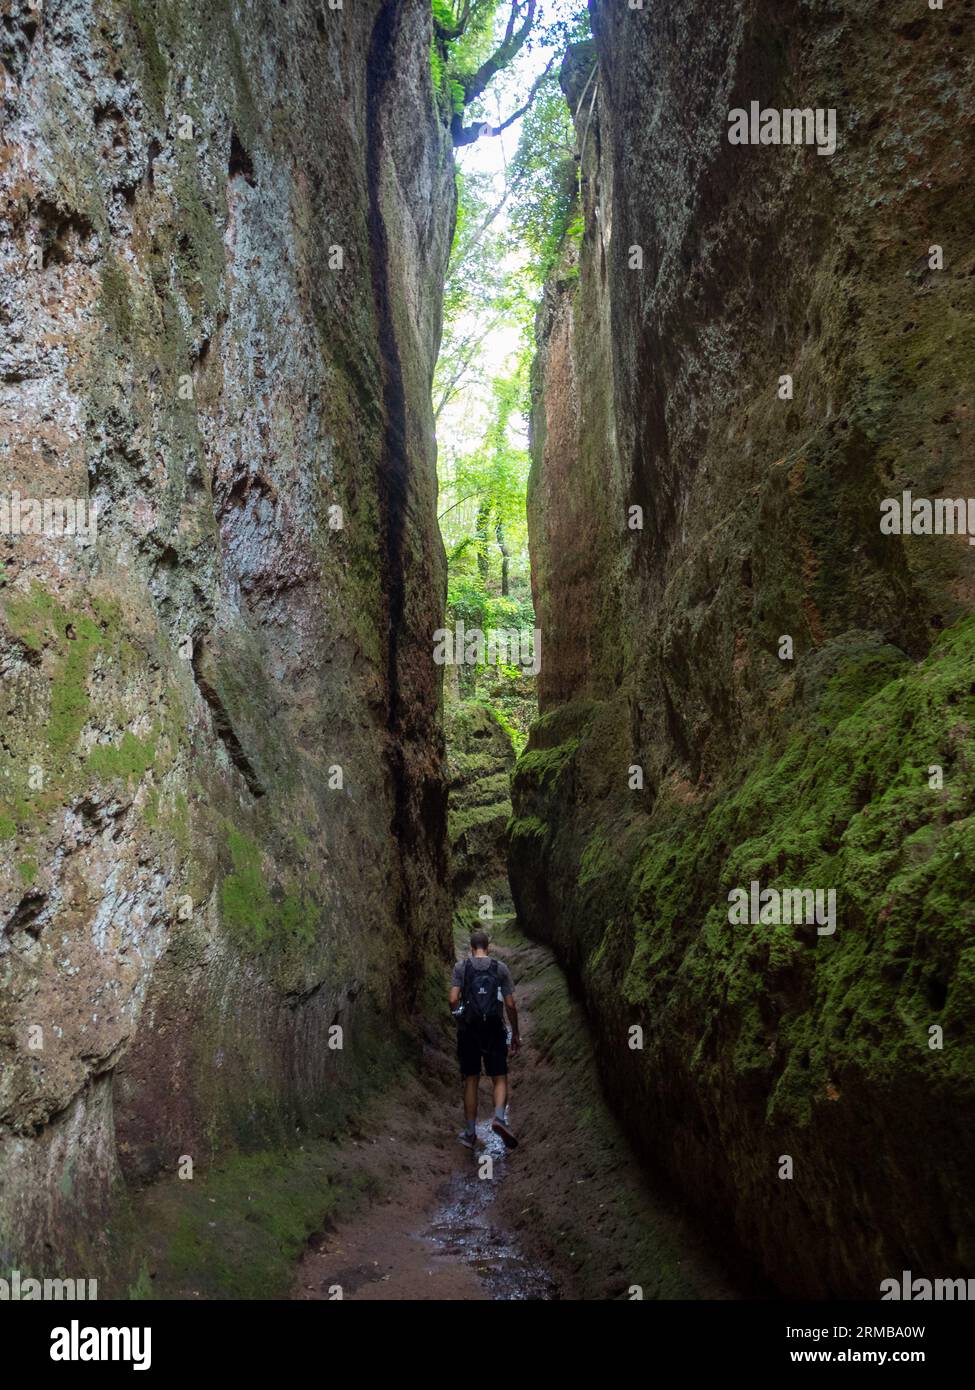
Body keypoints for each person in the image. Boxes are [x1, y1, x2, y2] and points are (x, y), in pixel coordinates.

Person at [449, 930, 520, 1149]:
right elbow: (510, 1005)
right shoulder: (500, 968)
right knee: (499, 1076)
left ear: (471, 948)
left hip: (469, 1030)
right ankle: (499, 1118)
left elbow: (452, 999)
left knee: (471, 1079)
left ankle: (470, 1133)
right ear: (487, 948)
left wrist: (461, 1017)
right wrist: (514, 1033)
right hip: (494, 1029)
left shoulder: (462, 967)